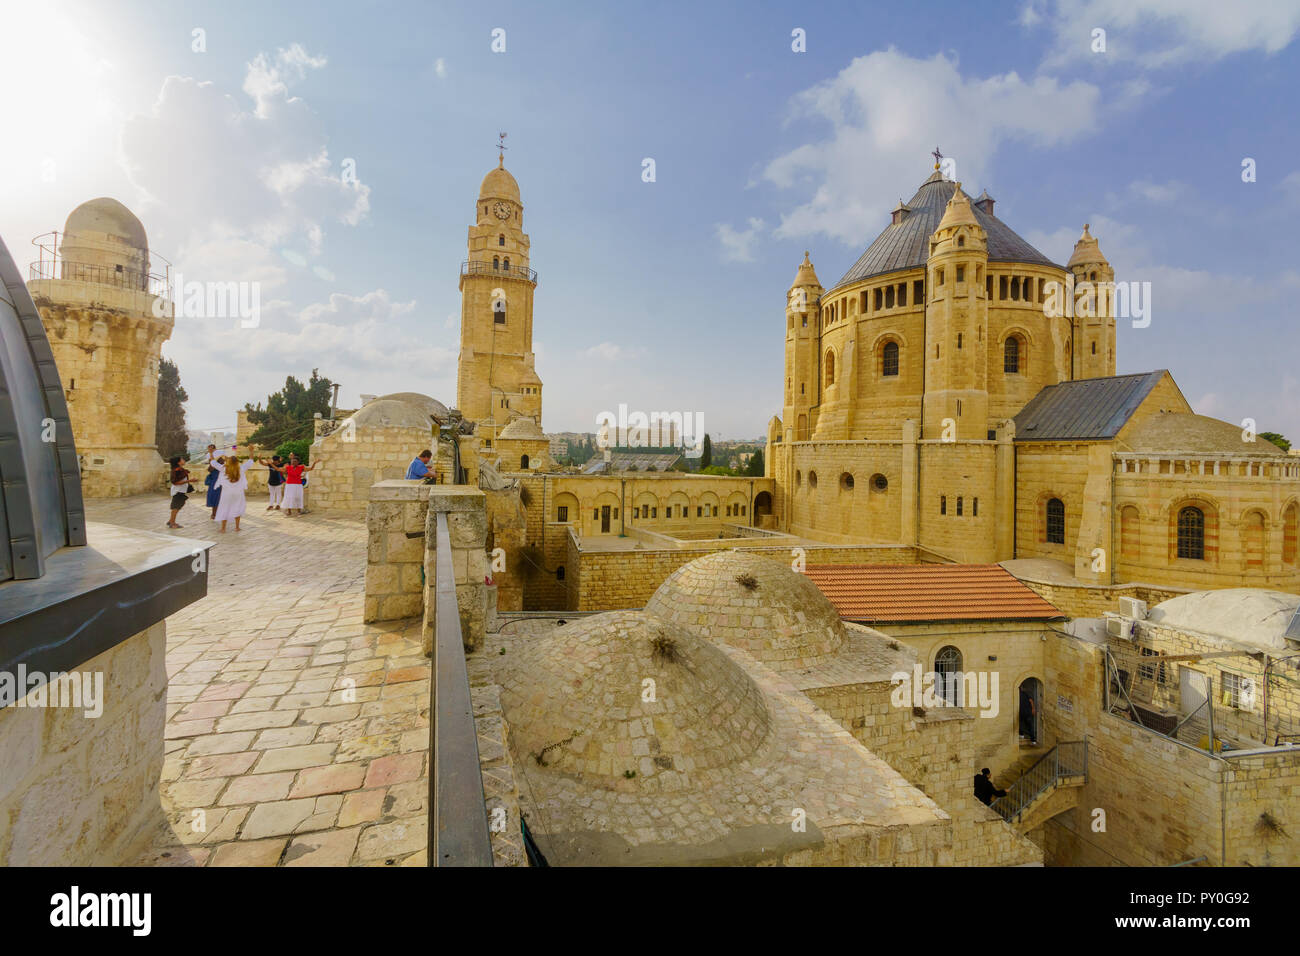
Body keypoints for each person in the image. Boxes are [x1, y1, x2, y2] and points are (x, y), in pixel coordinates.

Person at [214, 454, 254, 532]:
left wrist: (211, 453)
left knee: (224, 508)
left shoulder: (224, 469)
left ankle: (223, 528)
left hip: (226, 493)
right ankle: (237, 527)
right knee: (237, 507)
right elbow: (250, 461)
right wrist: (251, 451)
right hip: (238, 493)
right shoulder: (241, 468)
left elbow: (213, 463)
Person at [280, 452, 322, 517]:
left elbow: (310, 469)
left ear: (298, 462)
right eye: (292, 461)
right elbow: (278, 469)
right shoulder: (288, 467)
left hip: (298, 485)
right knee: (289, 497)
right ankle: (289, 511)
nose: (293, 462)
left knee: (298, 497)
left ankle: (299, 512)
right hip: (289, 485)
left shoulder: (301, 467)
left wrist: (314, 463)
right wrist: (271, 464)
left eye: (295, 461)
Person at [167, 456, 190, 528]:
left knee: (179, 505)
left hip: (180, 490)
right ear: (179, 462)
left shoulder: (179, 469)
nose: (184, 460)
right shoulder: (177, 470)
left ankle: (171, 520)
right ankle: (172, 523)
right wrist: (189, 481)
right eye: (182, 459)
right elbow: (176, 482)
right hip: (178, 491)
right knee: (176, 507)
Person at [204, 444, 223, 519]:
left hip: (218, 480)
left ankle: (215, 514)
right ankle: (214, 514)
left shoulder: (220, 465)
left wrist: (211, 453)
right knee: (215, 496)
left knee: (217, 497)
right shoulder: (215, 465)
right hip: (215, 480)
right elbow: (212, 465)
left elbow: (213, 463)